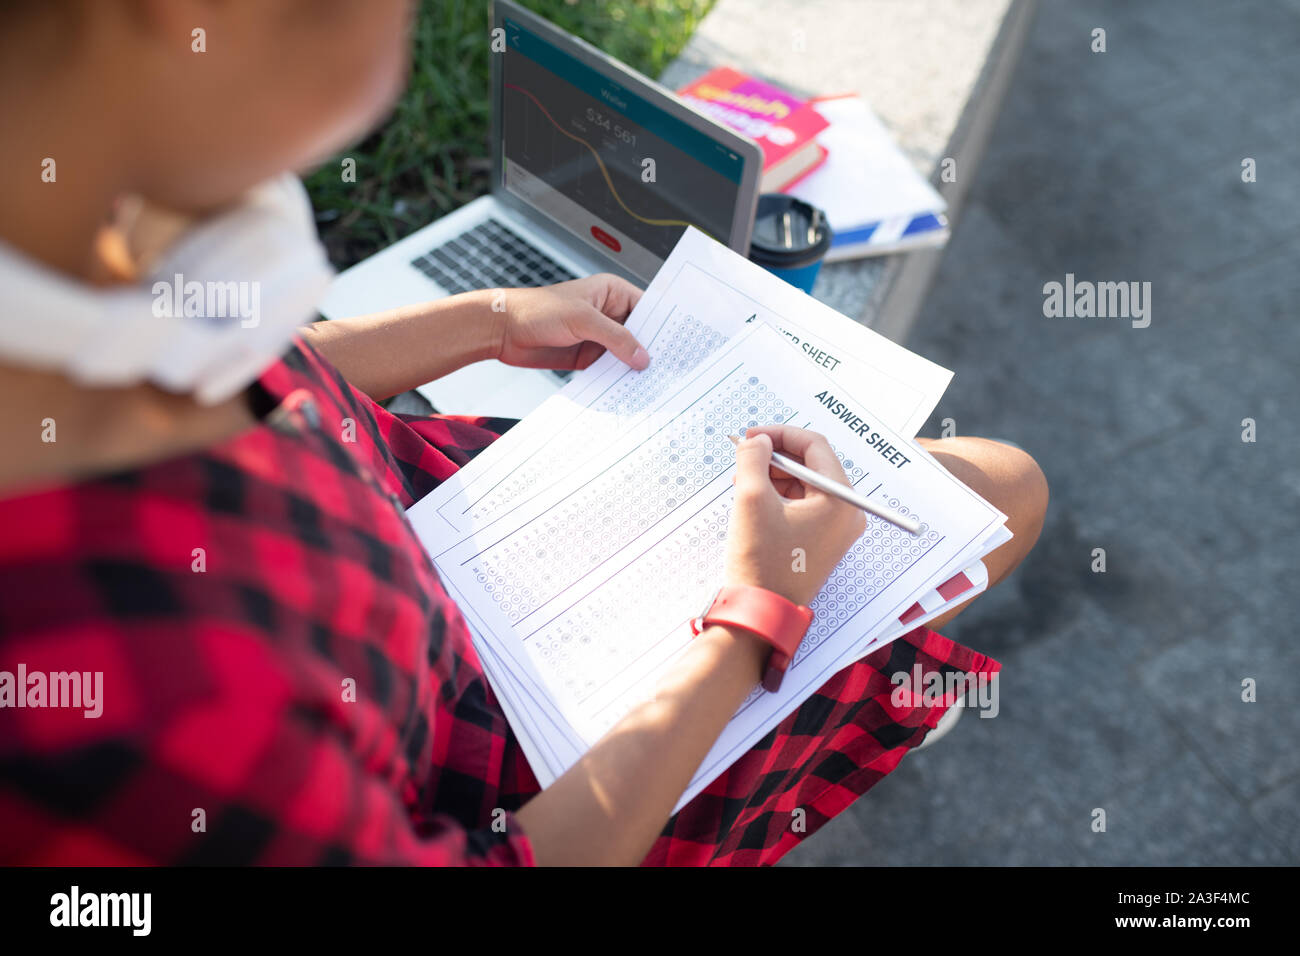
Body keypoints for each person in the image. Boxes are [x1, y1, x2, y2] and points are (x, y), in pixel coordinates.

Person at [0, 0, 1047, 866]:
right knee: (997, 492)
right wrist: (760, 611)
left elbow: (272, 365)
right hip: (525, 766)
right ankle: (856, 673)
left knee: (974, 490)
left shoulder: (90, 223)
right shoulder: (138, 693)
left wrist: (490, 320)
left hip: (446, 530)